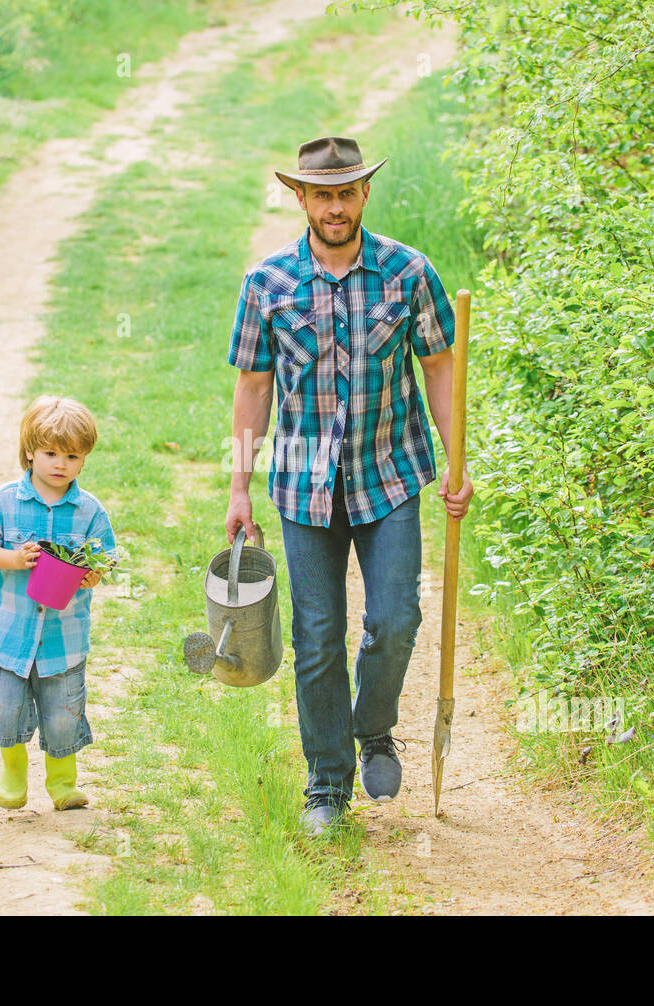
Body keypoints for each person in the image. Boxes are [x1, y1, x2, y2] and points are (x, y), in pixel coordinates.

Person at [225, 136, 473, 836]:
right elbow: (252, 386)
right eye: (321, 195)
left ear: (364, 195)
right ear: (300, 198)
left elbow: (440, 369)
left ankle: (375, 728)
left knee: (395, 621)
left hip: (389, 473)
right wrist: (240, 487)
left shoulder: (409, 273)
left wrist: (458, 463)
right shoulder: (267, 283)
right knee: (318, 635)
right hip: (304, 486)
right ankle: (327, 785)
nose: (335, 207)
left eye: (346, 193)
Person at [0, 395, 116, 811]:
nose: (60, 464)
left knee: (64, 711)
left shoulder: (89, 512)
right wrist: (13, 559)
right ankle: (13, 769)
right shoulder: (4, 502)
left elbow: (104, 557)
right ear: (29, 451)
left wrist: (92, 574)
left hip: (62, 635)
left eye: (71, 455)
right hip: (9, 632)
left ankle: (63, 783)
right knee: (5, 706)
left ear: (84, 460)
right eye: (50, 453)